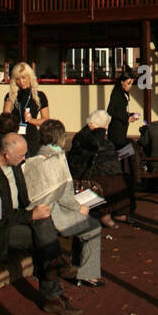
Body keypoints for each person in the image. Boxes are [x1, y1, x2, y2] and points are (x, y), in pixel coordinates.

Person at [0, 132, 80, 315]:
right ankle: (54, 283)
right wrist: (30, 215)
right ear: (6, 154)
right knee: (42, 239)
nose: (24, 159)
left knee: (42, 226)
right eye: (21, 156)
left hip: (15, 219)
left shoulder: (13, 166)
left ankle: (54, 282)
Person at [30, 121, 104, 287]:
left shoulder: (35, 154)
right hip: (54, 213)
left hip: (42, 209)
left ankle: (77, 267)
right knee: (93, 226)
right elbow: (64, 195)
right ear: (60, 138)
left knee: (83, 222)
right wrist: (80, 207)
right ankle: (87, 274)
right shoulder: (57, 158)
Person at [68, 110, 129, 227]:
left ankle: (116, 212)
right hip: (84, 172)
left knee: (120, 179)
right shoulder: (84, 135)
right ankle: (105, 214)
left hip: (96, 170)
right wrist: (100, 131)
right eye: (105, 125)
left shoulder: (91, 135)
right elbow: (97, 147)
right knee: (110, 182)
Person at [106, 67, 140, 218]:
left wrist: (129, 115)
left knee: (125, 147)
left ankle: (124, 168)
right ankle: (124, 171)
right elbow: (112, 110)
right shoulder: (117, 92)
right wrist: (126, 118)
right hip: (117, 129)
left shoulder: (125, 93)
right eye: (127, 83)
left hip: (122, 126)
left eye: (131, 83)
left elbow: (121, 109)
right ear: (121, 82)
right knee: (122, 146)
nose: (129, 85)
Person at [3, 62, 49, 157]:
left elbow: (46, 120)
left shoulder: (40, 96)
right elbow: (5, 117)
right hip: (15, 136)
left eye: (24, 78)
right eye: (18, 79)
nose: (21, 82)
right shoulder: (10, 96)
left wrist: (32, 120)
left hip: (32, 137)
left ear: (30, 77)